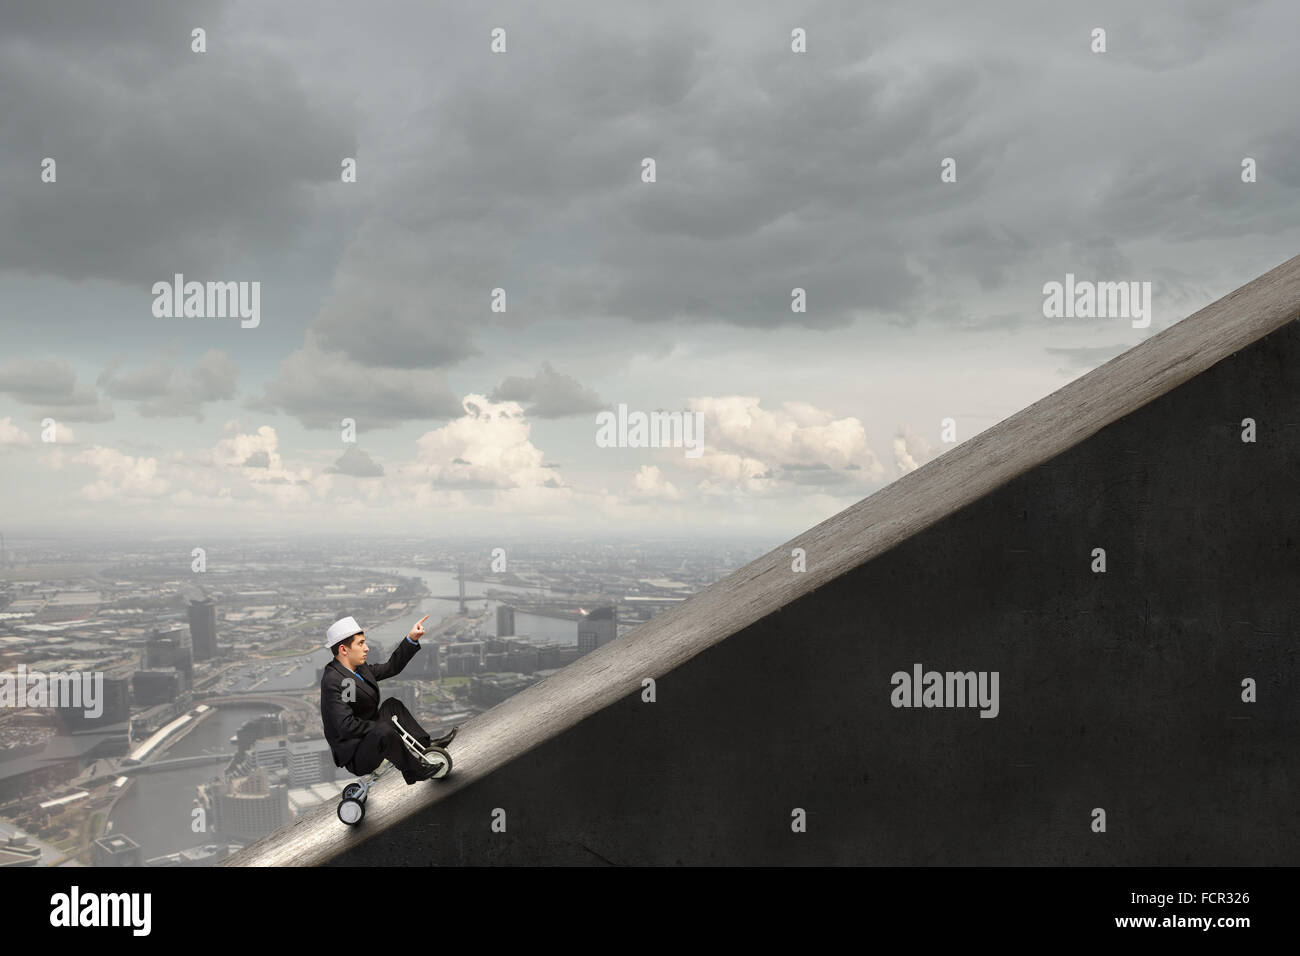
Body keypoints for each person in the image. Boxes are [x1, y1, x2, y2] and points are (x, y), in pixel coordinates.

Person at [320, 614, 458, 784]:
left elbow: (391, 667)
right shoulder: (334, 680)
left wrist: (411, 639)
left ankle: (427, 746)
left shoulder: (358, 669)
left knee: (392, 706)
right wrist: (379, 727)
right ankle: (413, 771)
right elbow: (345, 726)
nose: (367, 648)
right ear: (343, 650)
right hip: (357, 753)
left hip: (370, 736)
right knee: (385, 729)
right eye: (361, 643)